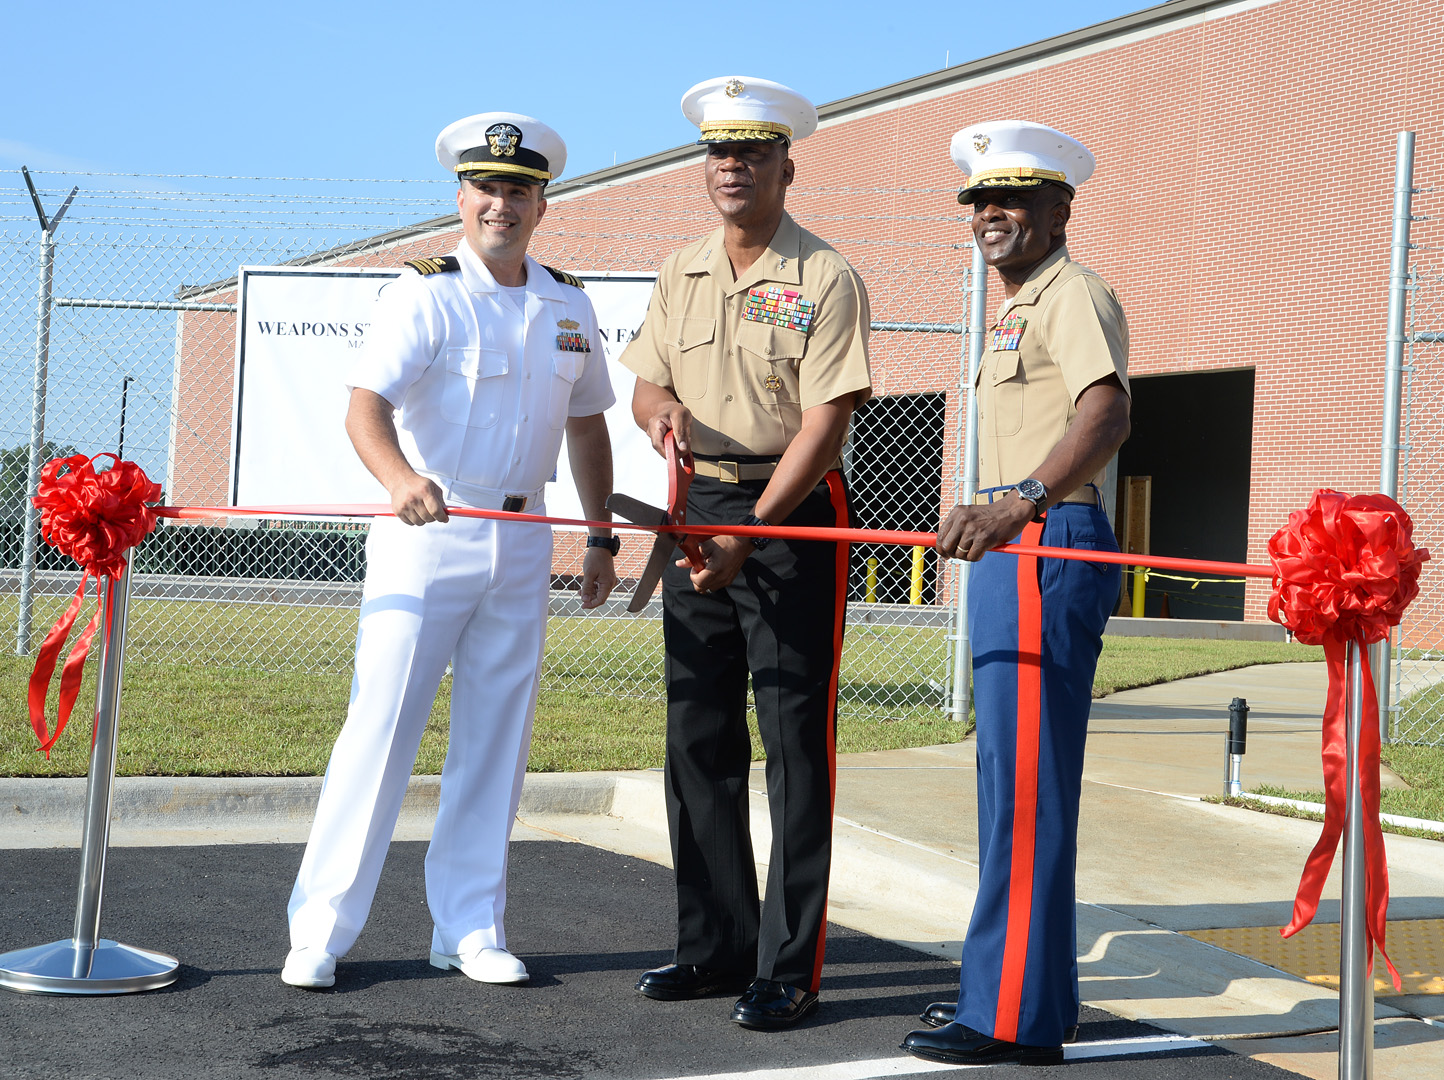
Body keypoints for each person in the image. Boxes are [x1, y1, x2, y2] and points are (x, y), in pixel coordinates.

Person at [281, 112, 618, 990]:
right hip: (429, 532)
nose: (502, 204)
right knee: (382, 727)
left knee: (497, 741)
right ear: (461, 198)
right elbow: (366, 408)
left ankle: (470, 928)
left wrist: (598, 537)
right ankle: (319, 931)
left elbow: (587, 425)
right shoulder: (423, 292)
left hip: (526, 536)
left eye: (519, 191)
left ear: (543, 204)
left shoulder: (569, 302)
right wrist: (399, 479)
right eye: (487, 189)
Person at [619, 76, 872, 1031]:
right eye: (719, 153)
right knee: (698, 733)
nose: (732, 167)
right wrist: (661, 416)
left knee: (793, 742)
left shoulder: (825, 277)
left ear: (785, 167)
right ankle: (715, 947)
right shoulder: (680, 269)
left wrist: (751, 530)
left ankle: (788, 967)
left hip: (790, 514)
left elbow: (826, 424)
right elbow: (646, 387)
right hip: (698, 508)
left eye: (752, 153)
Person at [901, 120, 1131, 1067]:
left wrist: (1017, 501)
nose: (991, 214)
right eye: (980, 200)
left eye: (1014, 199)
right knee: (1016, 780)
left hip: (1044, 538)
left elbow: (1107, 412)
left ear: (1060, 211)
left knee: (1024, 786)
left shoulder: (1072, 293)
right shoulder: (1020, 304)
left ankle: (1008, 1015)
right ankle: (1037, 995)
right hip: (1021, 541)